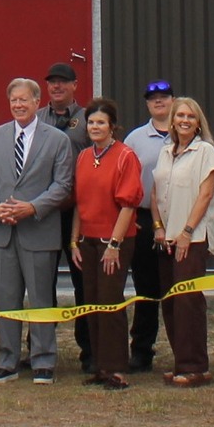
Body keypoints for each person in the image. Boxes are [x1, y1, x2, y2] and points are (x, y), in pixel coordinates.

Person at [0, 77, 75, 384]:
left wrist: (32, 207)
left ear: (36, 102)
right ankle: (7, 361)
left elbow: (63, 185)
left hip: (39, 229)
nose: (18, 105)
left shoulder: (57, 140)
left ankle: (43, 360)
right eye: (13, 101)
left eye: (24, 100)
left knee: (42, 298)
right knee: (7, 300)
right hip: (4, 232)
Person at [150, 95, 214, 388]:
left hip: (192, 238)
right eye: (180, 115)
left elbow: (206, 194)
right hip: (166, 237)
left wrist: (186, 231)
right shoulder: (165, 151)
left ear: (198, 123)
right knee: (170, 303)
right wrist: (158, 227)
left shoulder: (206, 151)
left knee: (188, 303)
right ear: (172, 120)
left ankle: (196, 366)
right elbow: (156, 191)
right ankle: (180, 360)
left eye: (190, 117)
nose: (184, 120)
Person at [69, 98, 142, 390]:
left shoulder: (125, 156)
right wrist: (74, 241)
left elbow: (128, 205)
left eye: (101, 122)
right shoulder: (84, 156)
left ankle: (116, 369)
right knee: (91, 303)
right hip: (86, 241)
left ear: (112, 125)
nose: (95, 127)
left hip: (114, 242)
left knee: (111, 303)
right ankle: (99, 365)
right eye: (91, 122)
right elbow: (78, 204)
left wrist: (114, 244)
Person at [42, 62, 94, 371]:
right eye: (52, 83)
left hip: (79, 214)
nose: (57, 87)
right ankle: (39, 350)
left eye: (63, 82)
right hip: (46, 213)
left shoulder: (89, 119)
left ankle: (89, 351)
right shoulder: (36, 119)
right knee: (41, 284)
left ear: (75, 85)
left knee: (83, 284)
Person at [123, 81, 178, 373]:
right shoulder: (135, 139)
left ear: (174, 100)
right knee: (146, 290)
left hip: (181, 220)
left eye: (164, 97)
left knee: (179, 287)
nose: (159, 102)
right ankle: (142, 350)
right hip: (143, 219)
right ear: (147, 105)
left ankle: (185, 350)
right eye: (153, 99)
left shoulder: (187, 131)